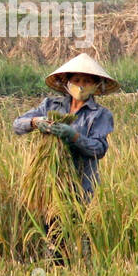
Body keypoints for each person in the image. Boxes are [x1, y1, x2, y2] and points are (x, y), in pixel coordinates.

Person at [12, 53, 117, 263]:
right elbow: (17, 125)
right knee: (53, 236)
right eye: (76, 80)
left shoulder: (100, 115)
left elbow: (99, 149)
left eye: (87, 81)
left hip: (83, 185)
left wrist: (74, 136)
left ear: (96, 85)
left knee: (82, 236)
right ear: (67, 83)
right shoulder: (50, 106)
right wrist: (35, 122)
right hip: (53, 184)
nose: (81, 85)